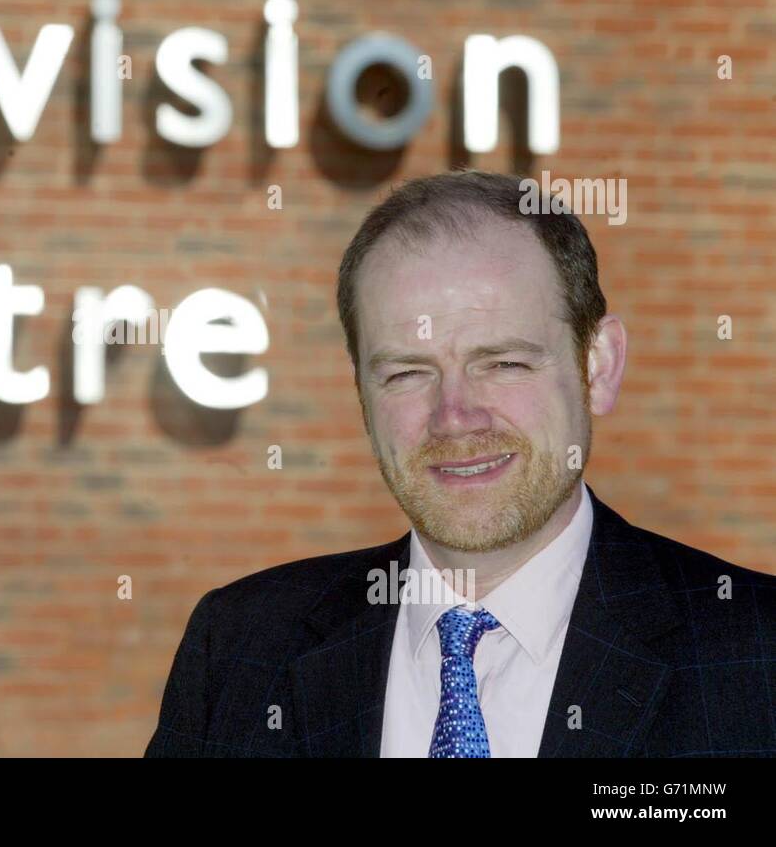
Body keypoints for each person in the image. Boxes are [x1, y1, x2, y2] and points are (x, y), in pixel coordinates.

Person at [144, 170, 776, 757]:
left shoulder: (756, 658)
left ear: (599, 366)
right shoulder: (238, 649)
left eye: (503, 363)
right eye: (407, 373)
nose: (455, 417)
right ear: (361, 390)